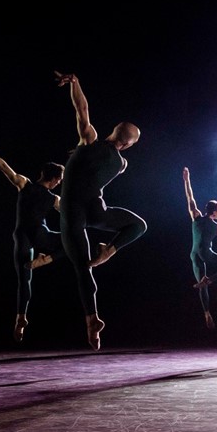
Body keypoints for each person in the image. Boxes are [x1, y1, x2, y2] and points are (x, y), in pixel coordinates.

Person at [55, 71, 148, 350]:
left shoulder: (89, 140)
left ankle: (92, 319)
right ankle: (111, 249)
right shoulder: (122, 164)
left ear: (113, 131)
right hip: (96, 210)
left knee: (83, 269)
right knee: (138, 225)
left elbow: (81, 108)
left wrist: (75, 81)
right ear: (129, 145)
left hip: (71, 212)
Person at [0, 146, 65, 342]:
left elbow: (4, 167)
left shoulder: (24, 184)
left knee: (24, 280)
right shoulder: (54, 199)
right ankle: (47, 259)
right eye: (59, 180)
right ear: (54, 179)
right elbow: (72, 218)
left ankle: (21, 317)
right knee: (74, 241)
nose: (59, 182)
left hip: (22, 237)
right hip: (41, 235)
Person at [184, 167, 217, 330]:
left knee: (202, 285)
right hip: (206, 254)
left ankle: (207, 313)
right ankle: (210, 279)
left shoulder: (196, 216)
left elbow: (190, 198)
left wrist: (186, 180)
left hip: (194, 255)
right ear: (214, 212)